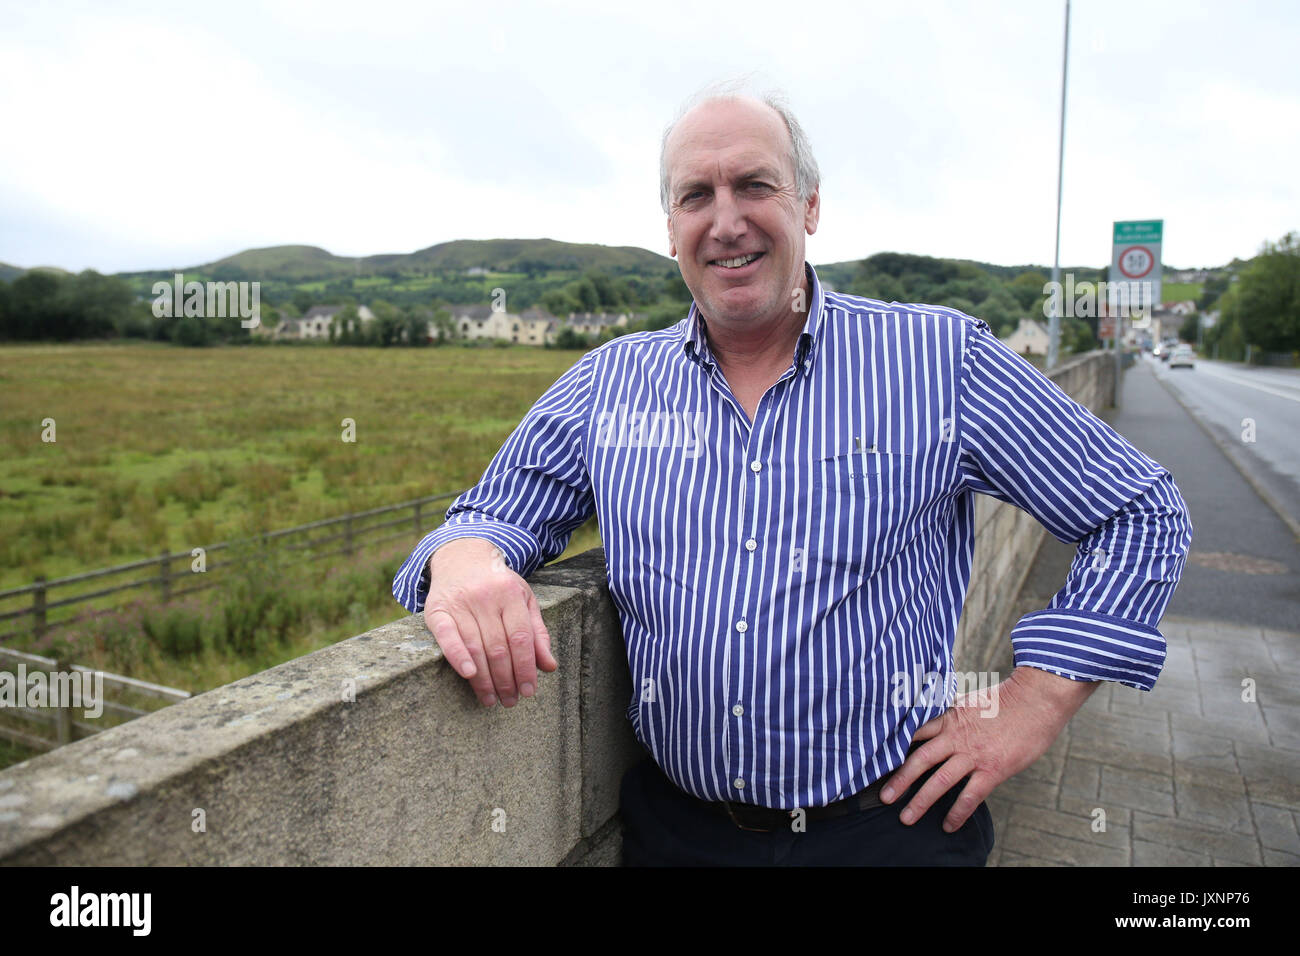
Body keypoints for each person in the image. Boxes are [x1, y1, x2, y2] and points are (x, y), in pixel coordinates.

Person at [391, 81, 1192, 866]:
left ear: (809, 205)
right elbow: (490, 513)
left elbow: (1140, 510)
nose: (726, 221)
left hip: (889, 829)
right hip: (679, 835)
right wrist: (464, 562)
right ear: (670, 228)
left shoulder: (938, 362)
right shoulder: (610, 386)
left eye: (754, 185)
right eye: (695, 195)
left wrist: (1033, 702)